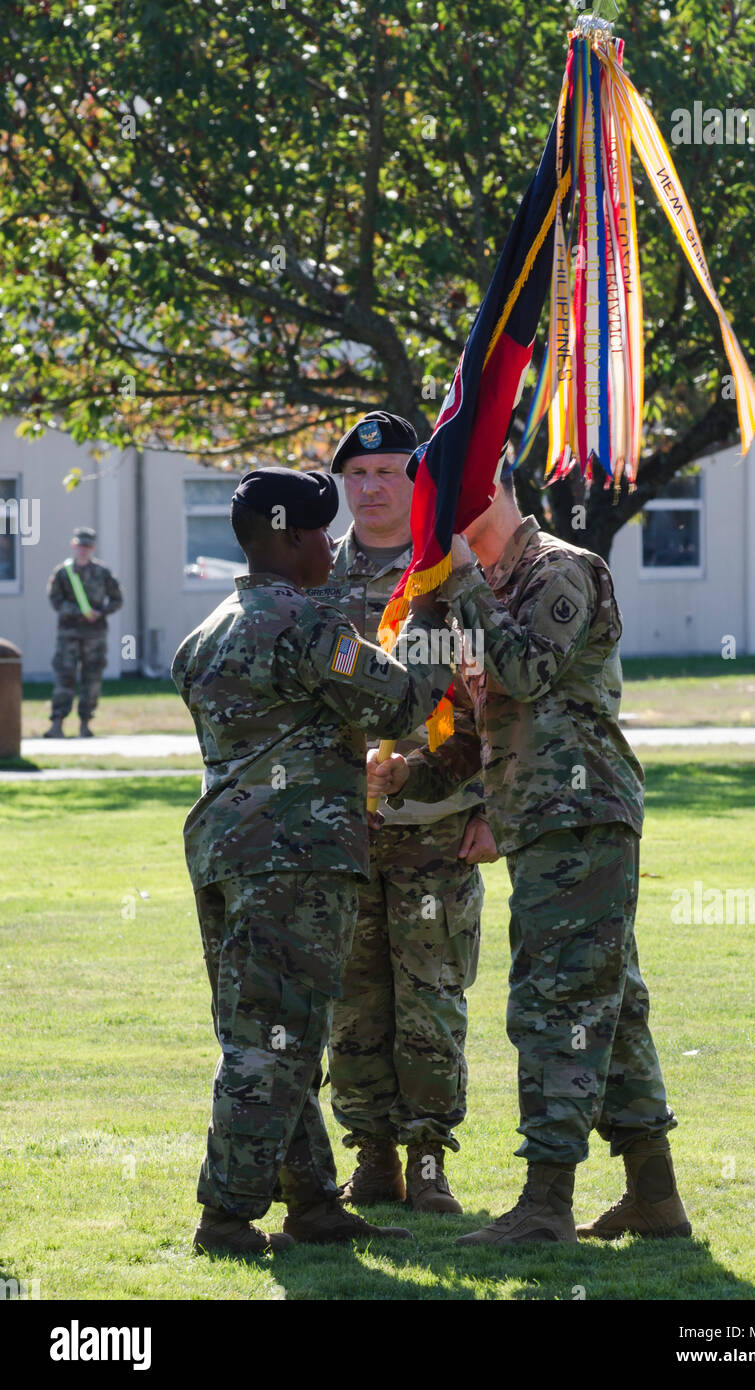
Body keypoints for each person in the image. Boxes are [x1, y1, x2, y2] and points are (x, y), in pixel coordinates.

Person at [368, 473, 690, 1246]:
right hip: (540, 824)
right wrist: (413, 772)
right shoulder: (486, 589)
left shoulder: (558, 569)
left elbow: (523, 672)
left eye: (440, 503)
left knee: (555, 1005)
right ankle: (655, 1198)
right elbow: (484, 722)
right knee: (614, 1007)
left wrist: (467, 583)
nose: (429, 523)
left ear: (484, 486)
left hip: (581, 815)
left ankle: (545, 1204)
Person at [171, 466, 459, 1256]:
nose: (332, 549)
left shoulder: (206, 635)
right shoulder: (307, 630)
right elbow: (401, 703)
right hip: (295, 859)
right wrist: (430, 611)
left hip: (225, 854)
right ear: (292, 537)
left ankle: (314, 1205)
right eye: (320, 534)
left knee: (272, 1030)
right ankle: (226, 1216)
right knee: (273, 1041)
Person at [310, 411, 495, 1216]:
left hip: (438, 817)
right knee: (352, 998)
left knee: (432, 990)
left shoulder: (449, 571)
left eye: (390, 472)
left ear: (417, 481)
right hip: (343, 826)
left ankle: (429, 1160)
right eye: (357, 474)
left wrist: (486, 803)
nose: (373, 487)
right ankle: (372, 1157)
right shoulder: (310, 575)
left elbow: (495, 696)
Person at [45, 526, 123, 738]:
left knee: (92, 678)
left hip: (94, 634)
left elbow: (117, 599)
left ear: (93, 548)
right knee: (64, 675)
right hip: (68, 633)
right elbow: (55, 600)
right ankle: (57, 723)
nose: (83, 550)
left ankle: (85, 724)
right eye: (80, 545)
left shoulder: (102, 572)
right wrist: (80, 611)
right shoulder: (63, 572)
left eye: (87, 546)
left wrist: (101, 612)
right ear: (73, 545)